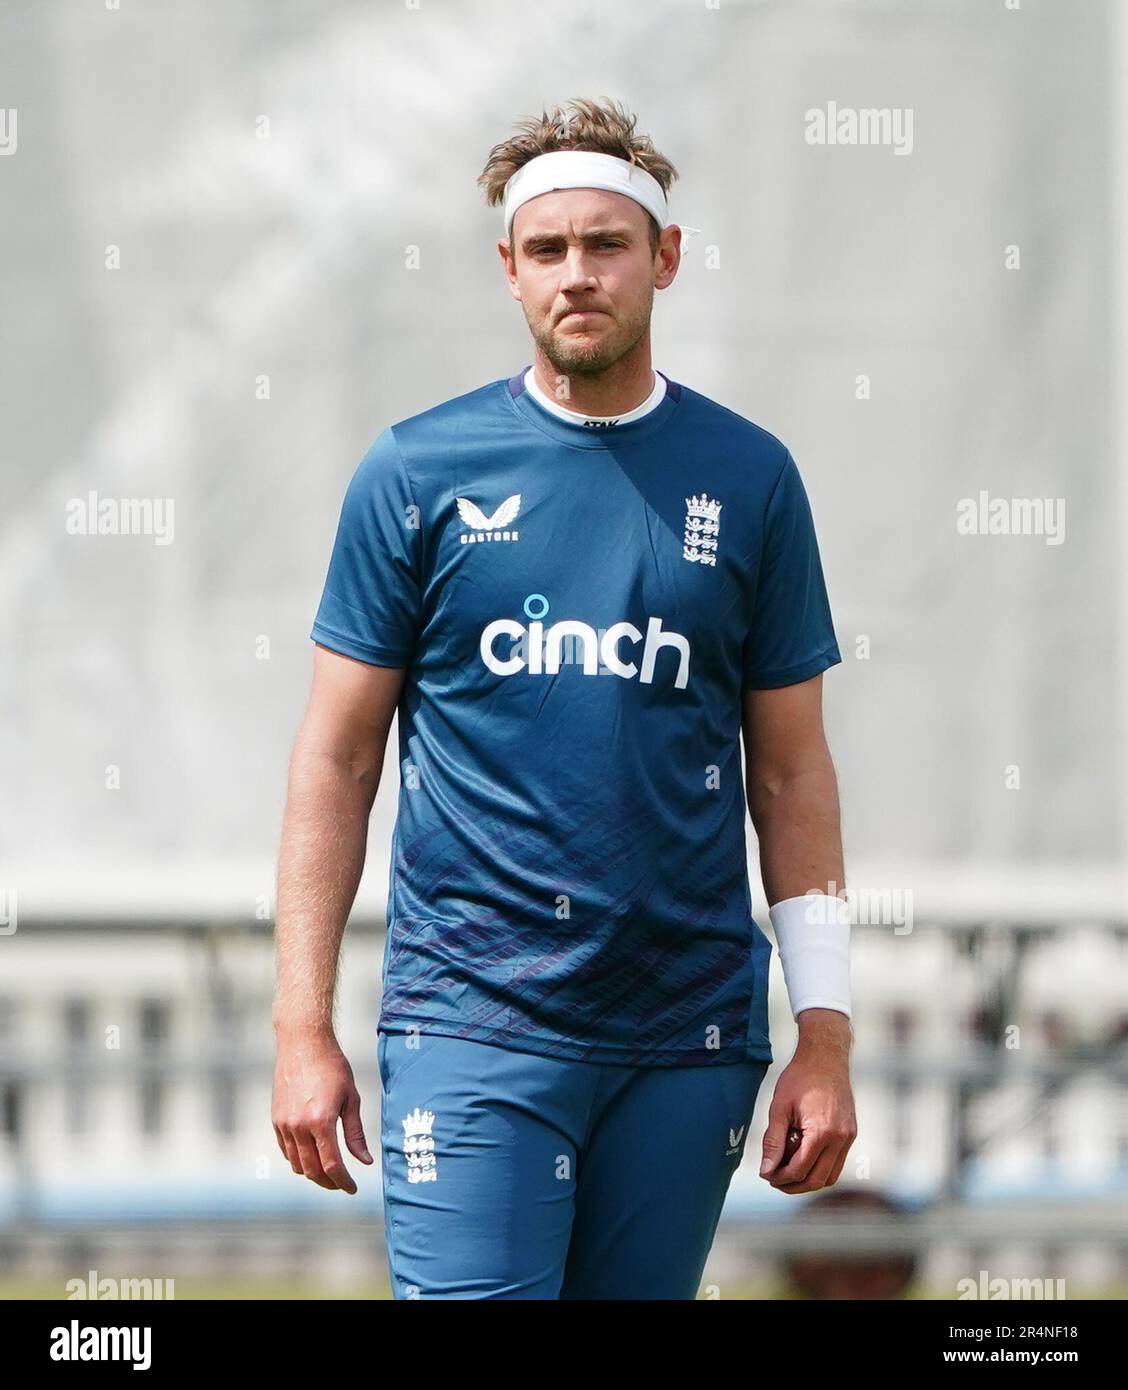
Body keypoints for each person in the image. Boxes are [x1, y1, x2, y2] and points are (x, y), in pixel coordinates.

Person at [272, 96, 857, 1300]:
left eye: (607, 245)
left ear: (666, 258)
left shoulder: (751, 478)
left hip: (687, 1032)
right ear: (509, 269)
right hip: (471, 1020)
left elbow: (792, 770)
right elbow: (336, 761)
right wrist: (300, 1026)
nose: (577, 274)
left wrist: (827, 1030)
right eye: (548, 250)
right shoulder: (417, 471)